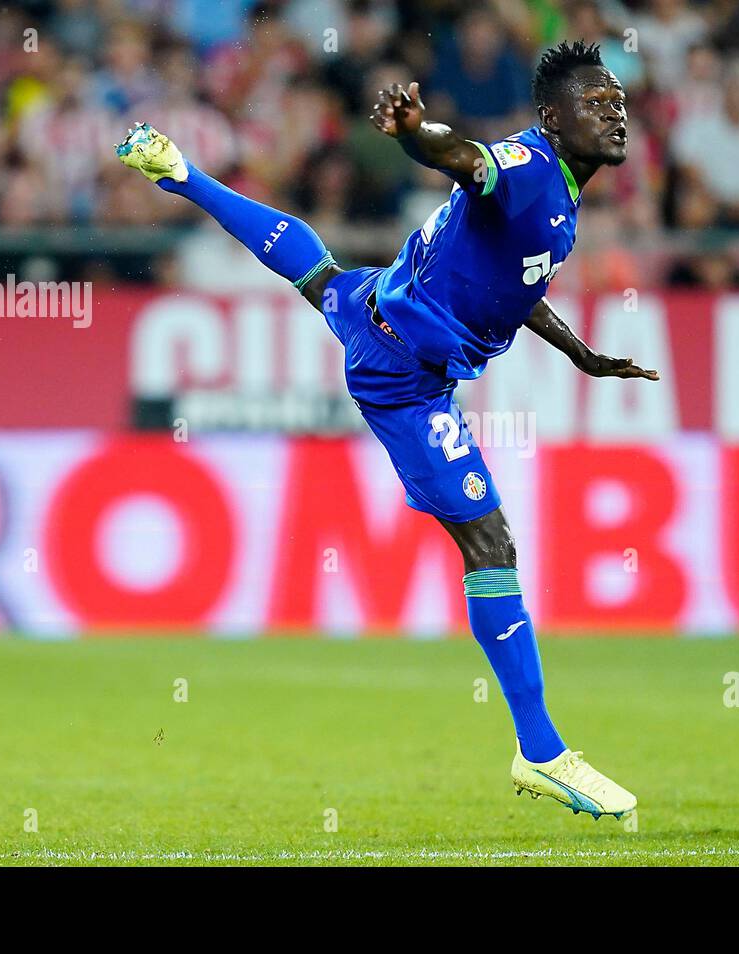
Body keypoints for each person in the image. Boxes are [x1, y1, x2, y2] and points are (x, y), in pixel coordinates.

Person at [115, 41, 651, 820]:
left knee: (319, 276)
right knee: (491, 545)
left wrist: (581, 354)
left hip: (380, 306)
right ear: (551, 117)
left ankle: (181, 173)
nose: (614, 114)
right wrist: (412, 134)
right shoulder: (530, 168)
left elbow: (512, 283)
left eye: (618, 102)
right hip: (405, 377)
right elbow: (465, 159)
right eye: (595, 103)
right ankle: (540, 750)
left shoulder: (557, 195)